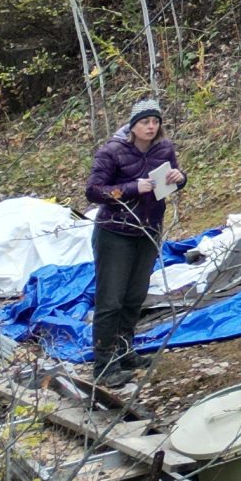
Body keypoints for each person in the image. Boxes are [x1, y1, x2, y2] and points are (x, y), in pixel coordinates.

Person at [85, 99, 184, 385]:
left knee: (135, 296)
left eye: (155, 122)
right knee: (111, 299)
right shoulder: (112, 151)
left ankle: (125, 351)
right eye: (144, 122)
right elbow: (93, 191)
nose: (151, 127)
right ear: (133, 125)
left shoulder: (164, 148)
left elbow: (171, 181)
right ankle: (104, 365)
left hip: (149, 229)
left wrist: (180, 178)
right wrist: (130, 188)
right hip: (115, 232)